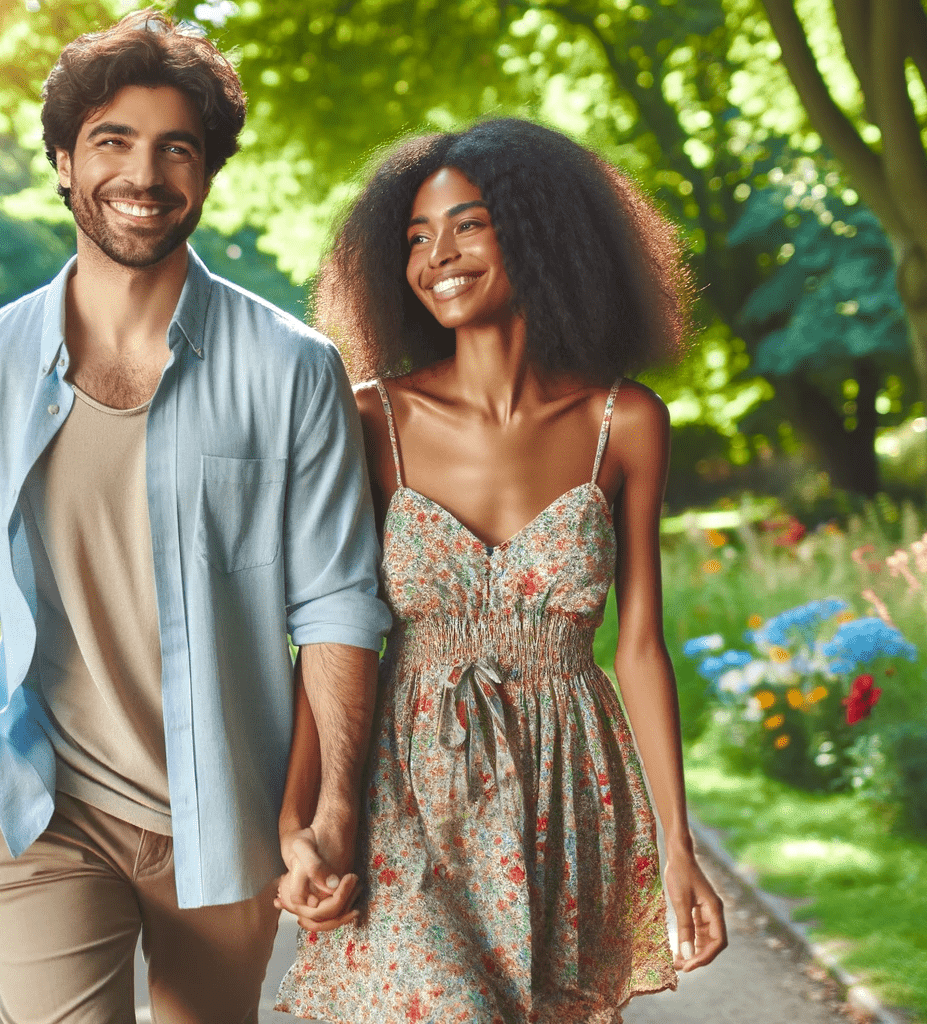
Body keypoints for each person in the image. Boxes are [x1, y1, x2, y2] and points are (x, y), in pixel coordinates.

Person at [0, 12, 389, 1023]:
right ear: (60, 161)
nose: (145, 172)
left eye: (178, 146)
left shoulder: (293, 369)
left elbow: (338, 605)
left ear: (208, 173)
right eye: (112, 141)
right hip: (46, 804)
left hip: (226, 812)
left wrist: (331, 809)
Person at [274, 119, 728, 1022]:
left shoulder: (625, 421)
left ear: (540, 231)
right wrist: (297, 821)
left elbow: (639, 647)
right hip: (408, 785)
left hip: (568, 783)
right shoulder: (373, 419)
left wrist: (679, 847)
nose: (437, 254)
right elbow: (335, 629)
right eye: (414, 236)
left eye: (468, 224)